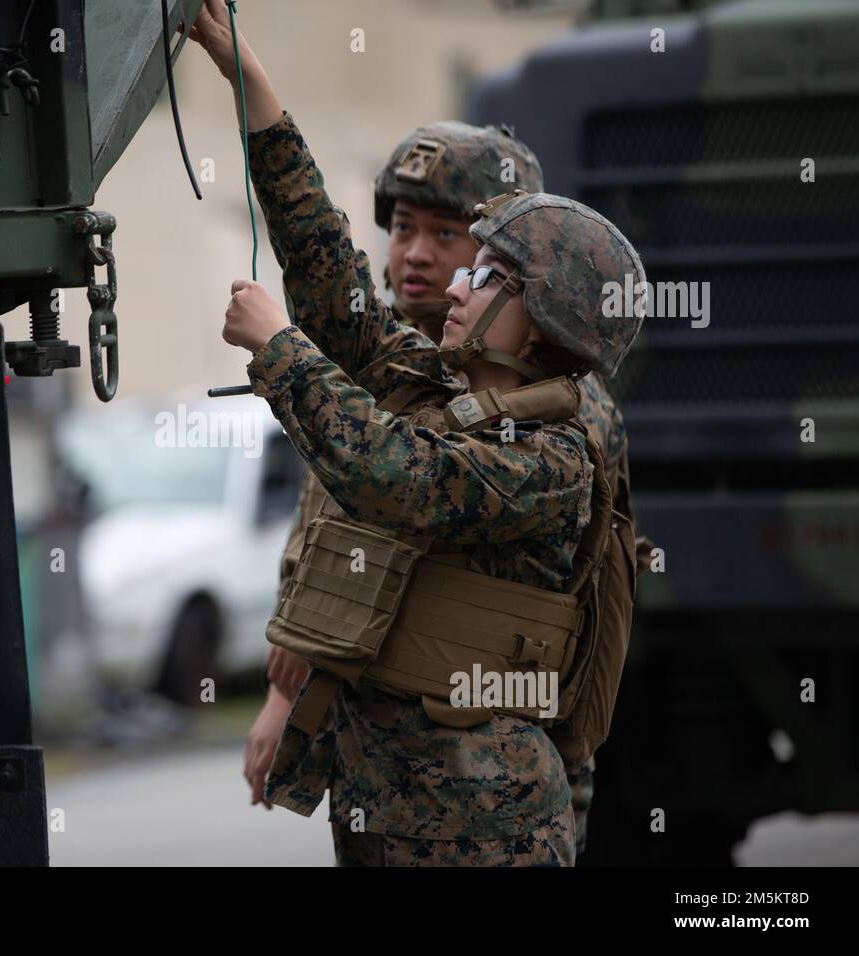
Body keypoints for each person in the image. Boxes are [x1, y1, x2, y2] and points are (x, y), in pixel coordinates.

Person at [188, 0, 644, 865]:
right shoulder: (435, 377)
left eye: (487, 272)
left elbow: (398, 476)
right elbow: (331, 279)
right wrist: (252, 85)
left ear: (543, 320)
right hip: (381, 803)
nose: (453, 281)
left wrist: (282, 352)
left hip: (485, 822)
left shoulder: (554, 456)